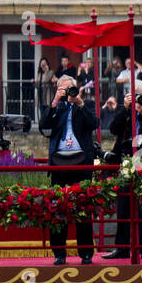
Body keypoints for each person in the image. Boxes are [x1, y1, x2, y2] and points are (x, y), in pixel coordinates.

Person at [39, 76, 99, 265]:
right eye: (64, 89)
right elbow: (44, 125)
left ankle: (86, 253)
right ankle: (59, 253)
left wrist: (79, 102)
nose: (68, 92)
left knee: (83, 208)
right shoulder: (56, 107)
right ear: (58, 90)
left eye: (70, 88)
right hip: (59, 164)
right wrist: (56, 100)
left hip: (81, 163)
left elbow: (94, 123)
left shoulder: (85, 103)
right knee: (58, 210)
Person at [103, 81, 142, 260]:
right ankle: (122, 248)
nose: (138, 100)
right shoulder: (126, 112)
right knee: (123, 208)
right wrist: (125, 109)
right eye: (135, 96)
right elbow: (113, 129)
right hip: (126, 162)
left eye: (141, 96)